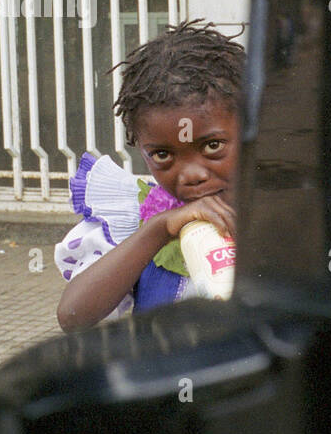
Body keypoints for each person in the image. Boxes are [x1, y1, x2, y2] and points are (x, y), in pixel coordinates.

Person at [55, 21, 243, 331]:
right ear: (139, 148)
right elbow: (73, 316)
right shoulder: (137, 214)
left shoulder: (279, 212)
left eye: (212, 146)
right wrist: (159, 229)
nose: (192, 176)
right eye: (163, 155)